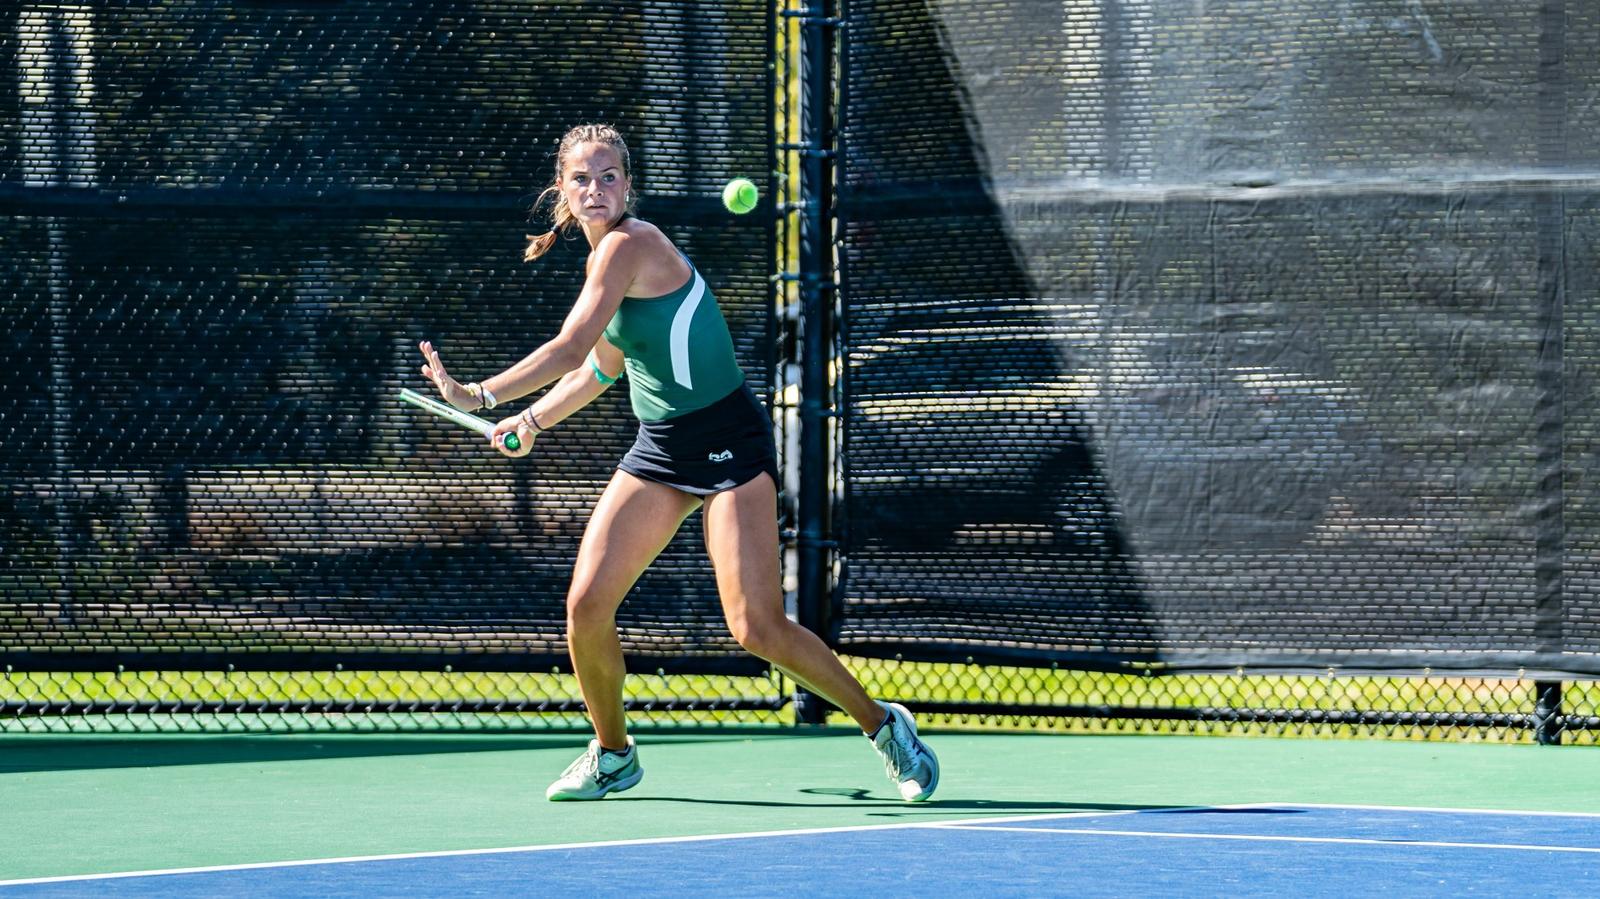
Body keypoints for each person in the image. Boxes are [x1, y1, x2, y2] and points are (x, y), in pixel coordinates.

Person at [417, 123, 938, 802]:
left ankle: (882, 724)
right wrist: (531, 420)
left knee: (755, 626)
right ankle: (613, 753)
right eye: (582, 178)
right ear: (563, 191)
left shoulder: (635, 244)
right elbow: (604, 368)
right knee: (585, 607)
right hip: (660, 447)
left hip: (727, 443)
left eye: (609, 176)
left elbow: (571, 348)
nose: (596, 189)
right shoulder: (602, 260)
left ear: (628, 186)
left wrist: (478, 394)